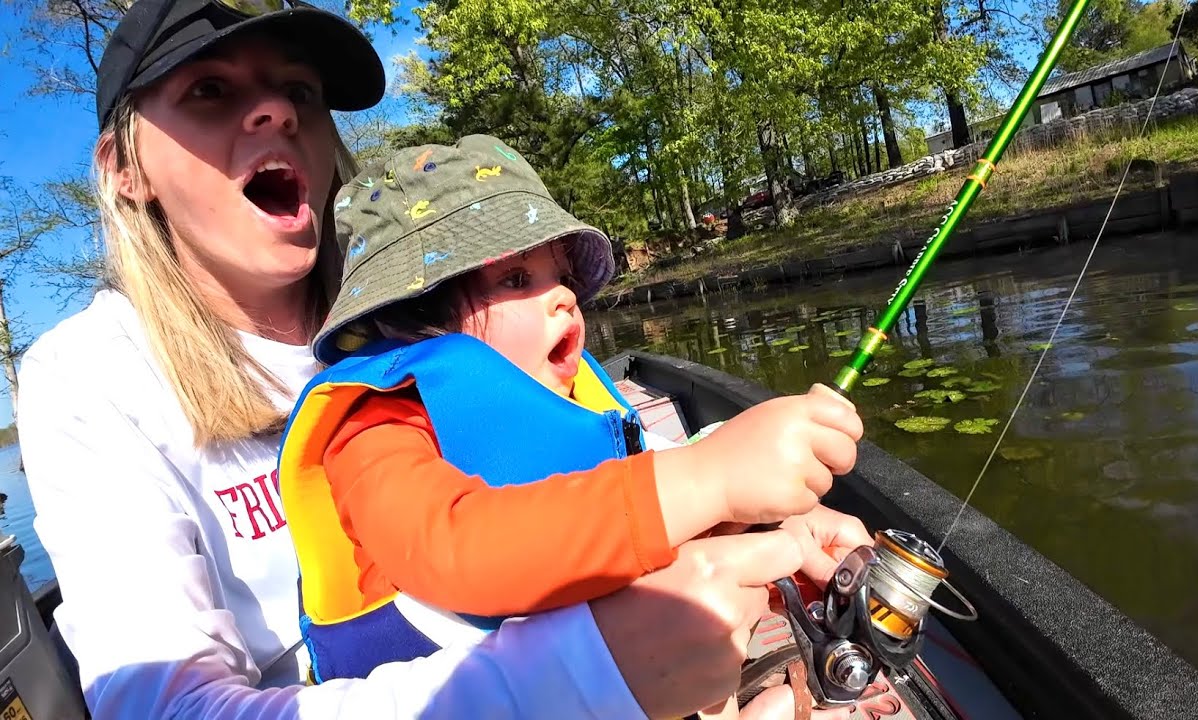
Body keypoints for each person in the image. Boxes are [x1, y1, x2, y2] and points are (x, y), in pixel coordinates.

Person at [14, 0, 872, 717]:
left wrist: (767, 532)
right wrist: (583, 671)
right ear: (124, 166)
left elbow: (582, 487)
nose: (276, 111)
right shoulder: (88, 378)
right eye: (209, 90)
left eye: (299, 91)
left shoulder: (446, 309)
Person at [275, 137, 867, 695]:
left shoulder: (563, 389)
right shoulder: (373, 426)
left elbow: (630, 490)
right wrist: (709, 477)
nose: (565, 296)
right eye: (516, 278)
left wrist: (787, 529)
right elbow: (457, 548)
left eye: (561, 275)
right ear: (408, 321)